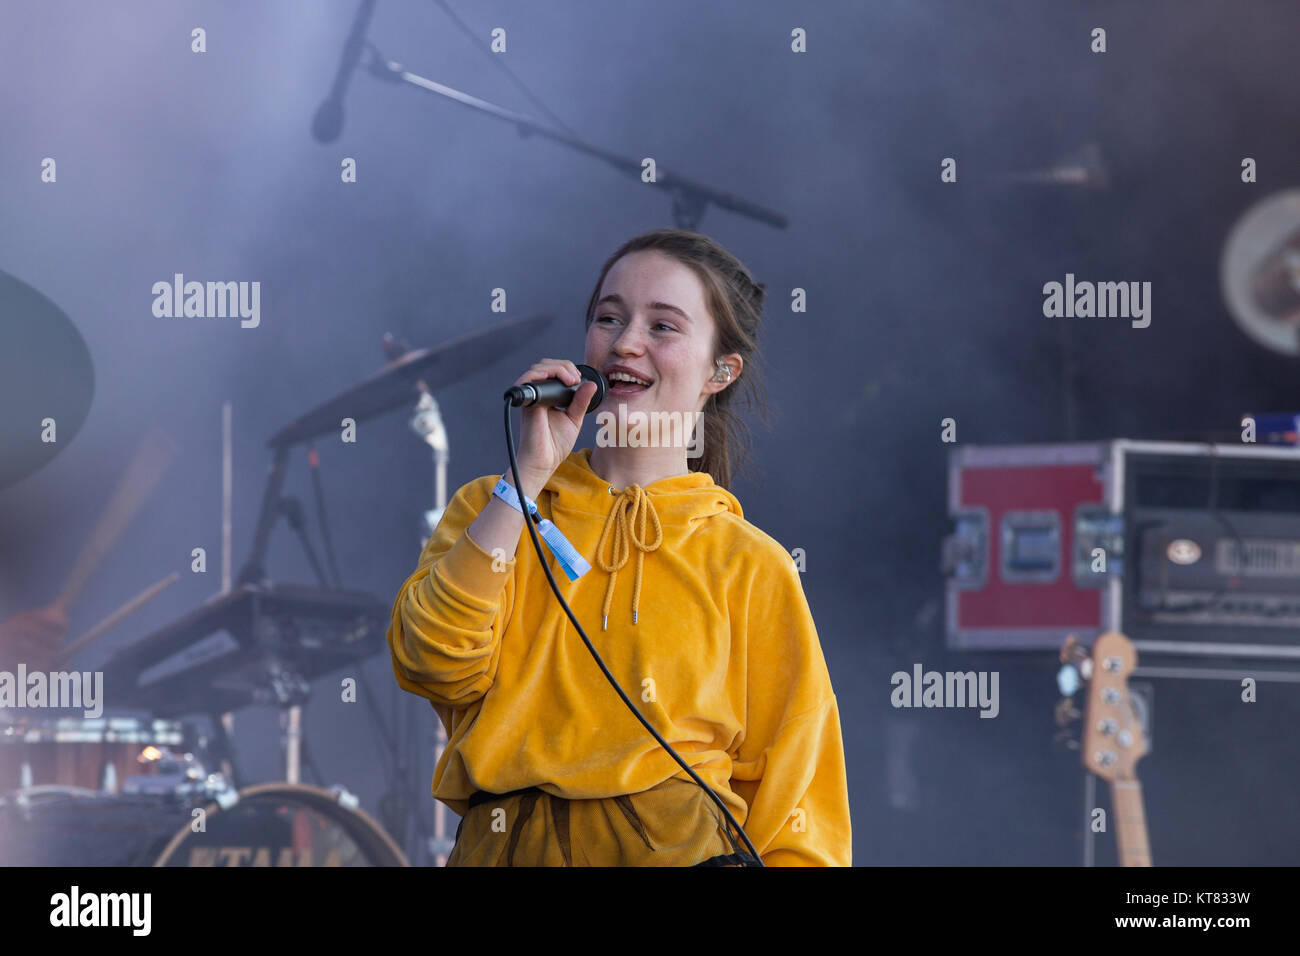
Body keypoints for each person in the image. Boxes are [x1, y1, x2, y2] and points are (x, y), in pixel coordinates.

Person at [387, 229, 851, 866]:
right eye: (609, 318)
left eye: (664, 326)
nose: (626, 342)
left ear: (722, 370)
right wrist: (524, 484)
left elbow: (802, 804)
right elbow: (428, 660)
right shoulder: (490, 509)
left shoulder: (751, 565)